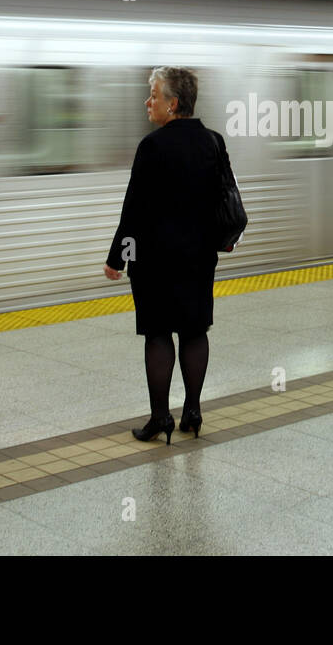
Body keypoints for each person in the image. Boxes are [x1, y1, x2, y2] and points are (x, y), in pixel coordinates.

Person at [104, 66, 226, 444]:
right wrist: (223, 238)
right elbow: (225, 199)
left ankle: (161, 418)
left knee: (158, 333)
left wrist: (117, 257)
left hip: (155, 260)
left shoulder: (152, 146)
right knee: (194, 330)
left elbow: (134, 210)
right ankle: (192, 411)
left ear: (172, 104)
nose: (148, 101)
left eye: (154, 95)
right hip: (198, 257)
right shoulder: (214, 142)